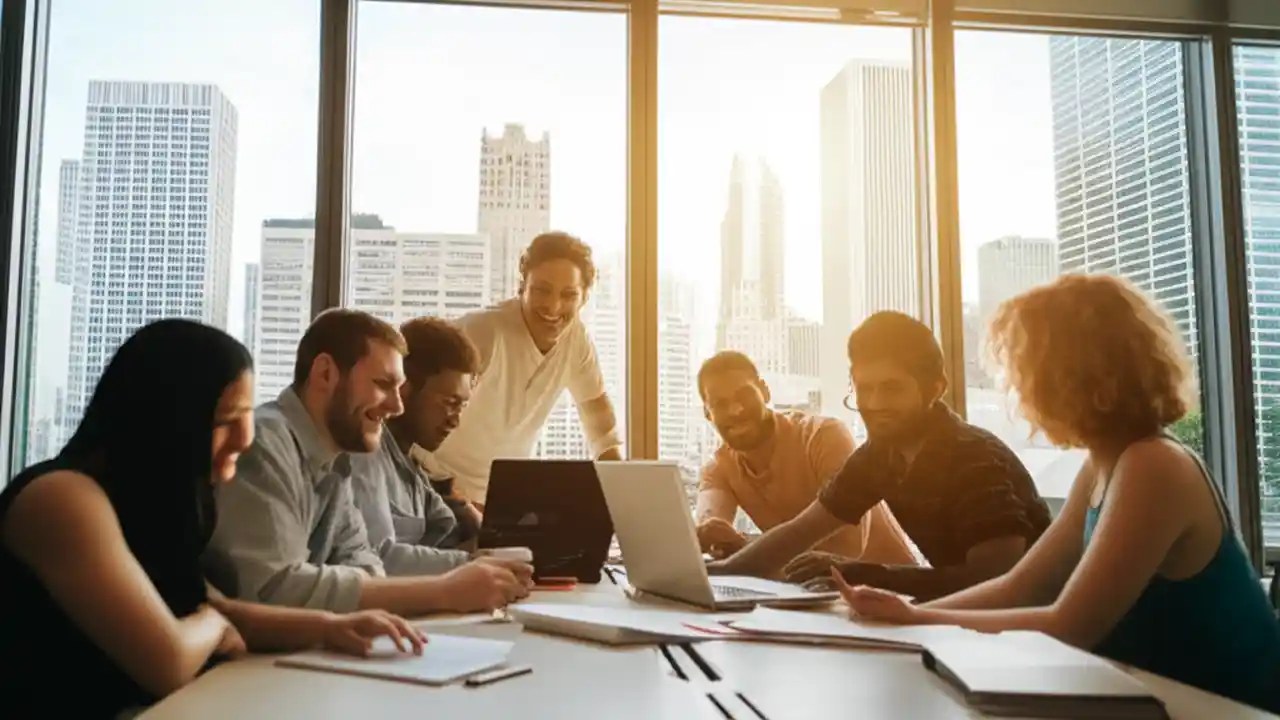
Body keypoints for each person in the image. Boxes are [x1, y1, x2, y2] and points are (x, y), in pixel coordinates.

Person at [837, 275, 1280, 712]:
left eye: (1026, 374)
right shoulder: (1103, 466)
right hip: (1162, 699)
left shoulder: (1154, 467)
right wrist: (901, 622)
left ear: (1077, 378)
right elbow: (1019, 586)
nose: (1020, 392)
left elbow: (1069, 625)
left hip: (1228, 710)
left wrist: (917, 619)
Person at [0, 320, 424, 718]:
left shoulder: (147, 505)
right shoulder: (61, 500)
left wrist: (332, 627)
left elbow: (209, 605)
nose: (244, 438)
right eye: (225, 421)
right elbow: (169, 659)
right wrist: (216, 626)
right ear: (162, 417)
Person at [205, 309, 533, 615]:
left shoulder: (336, 461)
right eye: (383, 385)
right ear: (325, 374)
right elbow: (273, 588)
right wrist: (443, 591)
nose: (397, 406)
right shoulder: (264, 442)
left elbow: (367, 563)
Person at [708, 311, 1051, 602]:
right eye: (864, 389)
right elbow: (799, 532)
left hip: (1038, 635)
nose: (873, 404)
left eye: (891, 388)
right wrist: (711, 573)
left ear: (935, 389)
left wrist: (864, 574)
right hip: (970, 624)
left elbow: (994, 582)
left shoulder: (975, 459)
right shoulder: (880, 456)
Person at [433, 232, 623, 505]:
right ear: (522, 286)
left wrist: (622, 487)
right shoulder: (482, 332)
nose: (553, 306)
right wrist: (445, 495)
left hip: (500, 497)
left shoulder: (577, 341)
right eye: (542, 290)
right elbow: (420, 410)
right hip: (437, 488)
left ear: (584, 298)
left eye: (569, 294)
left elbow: (599, 418)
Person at [694, 351, 918, 568]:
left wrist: (748, 550)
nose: (735, 410)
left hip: (894, 591)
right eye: (720, 404)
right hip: (807, 592)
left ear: (764, 391)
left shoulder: (822, 436)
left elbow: (847, 550)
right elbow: (710, 531)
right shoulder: (719, 468)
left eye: (744, 395)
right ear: (707, 413)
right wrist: (710, 536)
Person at [349, 316, 483, 576]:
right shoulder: (364, 455)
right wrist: (475, 564)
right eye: (449, 402)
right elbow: (379, 558)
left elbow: (448, 533)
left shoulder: (411, 469)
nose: (455, 421)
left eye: (462, 406)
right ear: (405, 388)